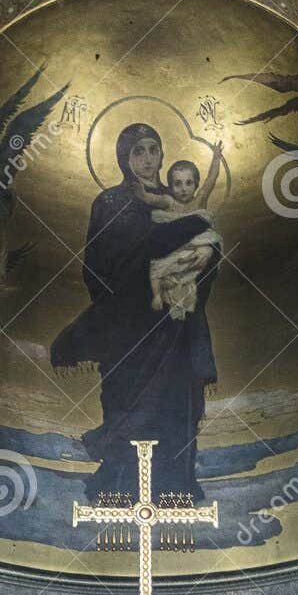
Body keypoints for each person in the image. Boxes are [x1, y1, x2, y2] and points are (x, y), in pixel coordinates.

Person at [51, 121, 220, 501]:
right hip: (125, 326)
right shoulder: (109, 202)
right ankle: (121, 487)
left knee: (175, 406)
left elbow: (205, 251)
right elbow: (94, 264)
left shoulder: (179, 197)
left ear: (163, 155)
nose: (147, 159)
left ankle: (174, 487)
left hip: (174, 324)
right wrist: (131, 285)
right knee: (125, 401)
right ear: (124, 158)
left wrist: (197, 261)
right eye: (138, 152)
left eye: (153, 150)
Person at [143, 143, 224, 319]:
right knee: (157, 270)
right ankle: (160, 294)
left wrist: (216, 159)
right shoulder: (169, 203)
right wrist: (139, 193)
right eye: (177, 184)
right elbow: (151, 199)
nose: (184, 188)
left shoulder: (199, 202)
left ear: (195, 185)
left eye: (189, 183)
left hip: (196, 253)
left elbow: (211, 179)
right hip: (174, 258)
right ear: (170, 187)